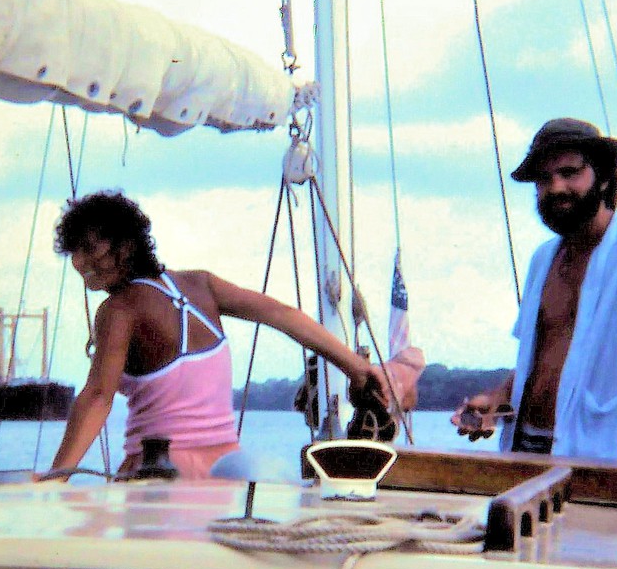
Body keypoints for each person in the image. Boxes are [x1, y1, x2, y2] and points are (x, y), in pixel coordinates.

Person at [44, 191, 389, 480]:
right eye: (75, 249)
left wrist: (55, 477)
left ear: (126, 245)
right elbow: (284, 316)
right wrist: (356, 367)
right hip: (227, 469)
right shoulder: (201, 284)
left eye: (90, 248)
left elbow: (99, 397)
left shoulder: (119, 310)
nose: (79, 260)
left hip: (159, 474)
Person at [452, 118, 617, 463]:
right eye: (544, 179)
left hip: (592, 459)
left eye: (569, 173)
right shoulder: (542, 258)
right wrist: (496, 400)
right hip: (519, 452)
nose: (556, 187)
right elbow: (542, 360)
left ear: (604, 176)